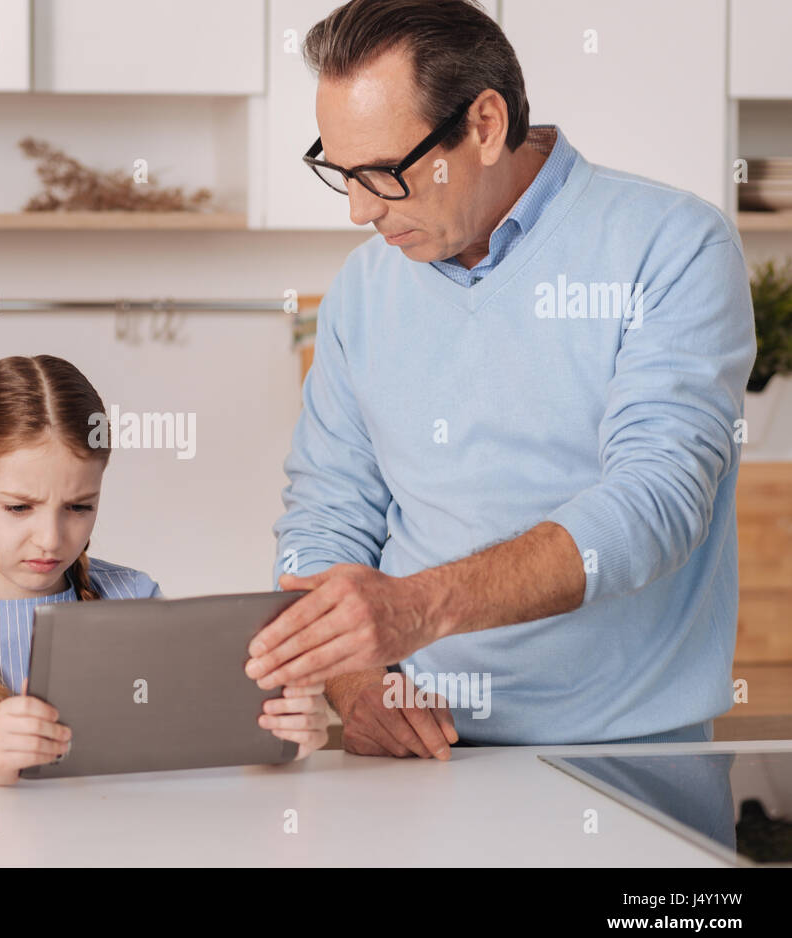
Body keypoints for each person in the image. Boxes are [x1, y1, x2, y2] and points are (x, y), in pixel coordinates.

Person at [247, 0, 756, 758]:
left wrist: (419, 608)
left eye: (383, 172)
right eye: (340, 171)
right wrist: (358, 684)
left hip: (631, 756)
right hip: (421, 760)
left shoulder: (672, 245)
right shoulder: (363, 288)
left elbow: (657, 500)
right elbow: (327, 514)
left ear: (484, 125)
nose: (358, 210)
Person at [0, 355, 329, 783]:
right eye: (18, 507)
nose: (52, 540)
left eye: (78, 507)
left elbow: (191, 734)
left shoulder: (132, 596)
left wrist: (278, 741)